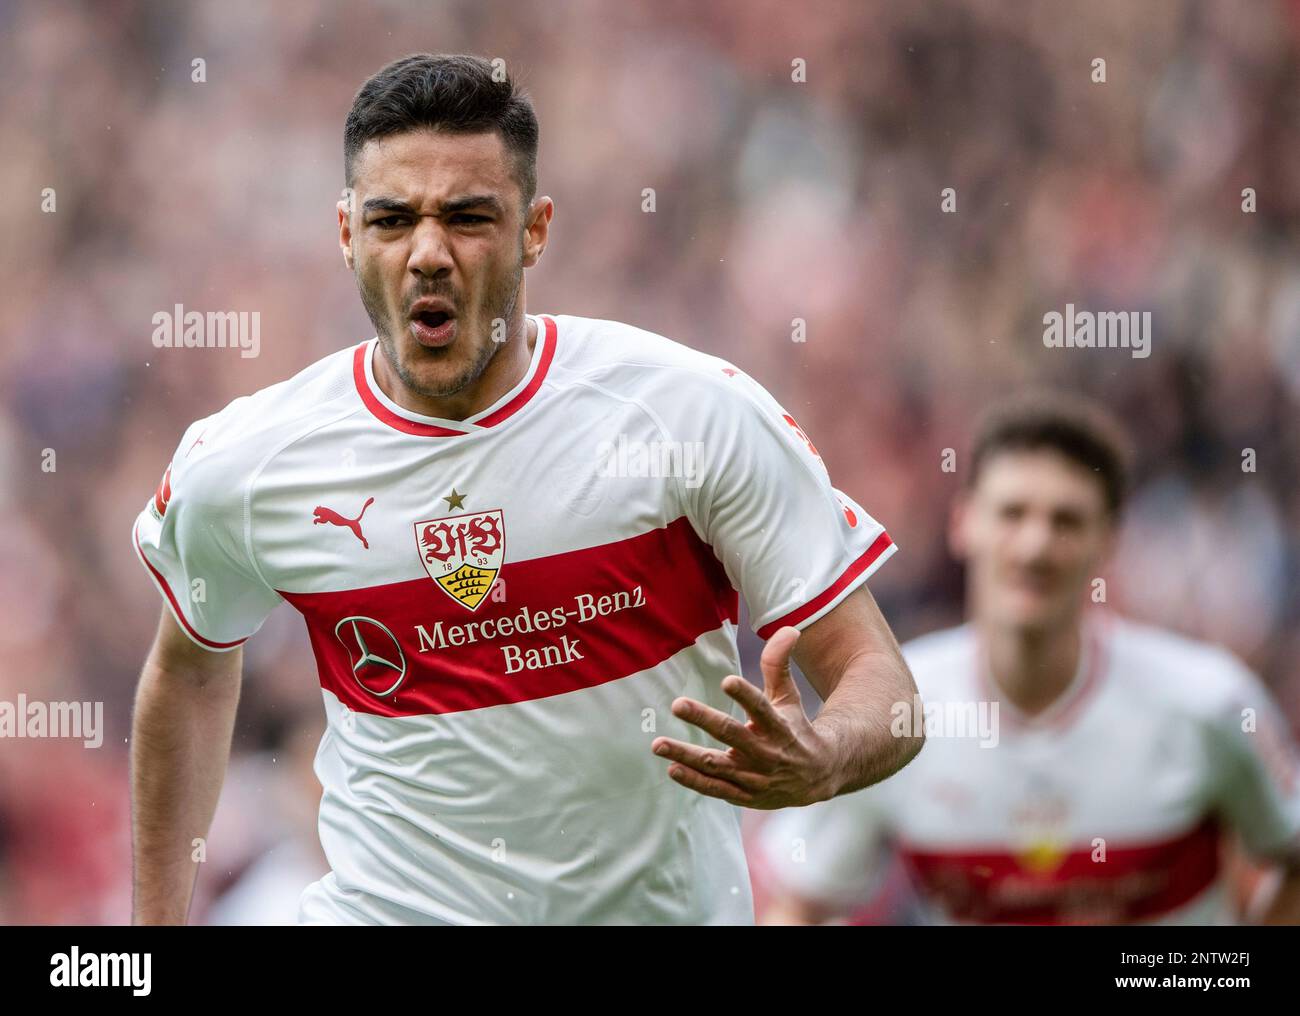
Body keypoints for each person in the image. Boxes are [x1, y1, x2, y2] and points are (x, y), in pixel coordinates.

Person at [128, 53, 922, 926]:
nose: (429, 253)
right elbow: (192, 673)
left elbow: (883, 686)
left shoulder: (689, 414)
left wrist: (827, 754)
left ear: (536, 229)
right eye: (392, 219)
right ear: (348, 232)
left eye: (469, 217)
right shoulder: (251, 462)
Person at [756, 394, 1300, 925]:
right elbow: (800, 905)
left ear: (1109, 540)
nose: (1036, 545)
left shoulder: (1208, 702)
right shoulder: (894, 711)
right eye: (1013, 513)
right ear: (963, 523)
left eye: (1066, 521)